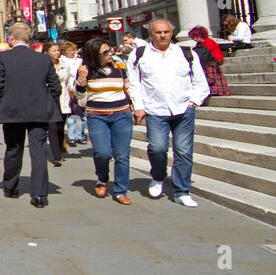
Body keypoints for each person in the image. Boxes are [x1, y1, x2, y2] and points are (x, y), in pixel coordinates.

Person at [126, 19, 211, 208]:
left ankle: (182, 191)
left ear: (171, 33)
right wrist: (138, 106)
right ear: (150, 34)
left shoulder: (185, 53)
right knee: (157, 148)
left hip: (183, 109)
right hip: (155, 109)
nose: (163, 35)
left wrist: (193, 102)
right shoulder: (139, 55)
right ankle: (158, 176)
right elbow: (134, 84)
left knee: (183, 151)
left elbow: (200, 82)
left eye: (166, 32)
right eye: (158, 32)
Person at [0, 22, 61, 208]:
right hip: (39, 111)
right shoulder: (43, 60)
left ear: (11, 38)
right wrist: (46, 102)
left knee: (13, 148)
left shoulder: (2, 58)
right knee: (38, 151)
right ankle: (39, 194)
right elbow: (56, 86)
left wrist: (3, 102)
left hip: (12, 109)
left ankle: (10, 186)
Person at [75, 39, 136, 204]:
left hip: (121, 115)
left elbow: (129, 88)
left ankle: (120, 191)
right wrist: (81, 81)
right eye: (105, 52)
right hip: (97, 116)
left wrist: (136, 107)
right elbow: (81, 100)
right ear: (94, 56)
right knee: (102, 153)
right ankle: (102, 178)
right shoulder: (85, 71)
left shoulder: (119, 67)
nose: (110, 54)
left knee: (122, 155)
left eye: (110, 50)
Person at [45, 42, 70, 166]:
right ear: (47, 51)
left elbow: (68, 82)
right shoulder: (43, 65)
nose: (57, 53)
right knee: (53, 127)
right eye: (54, 50)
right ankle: (57, 156)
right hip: (50, 98)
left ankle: (60, 146)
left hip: (64, 98)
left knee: (61, 125)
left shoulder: (64, 65)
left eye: (58, 50)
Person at [187, 25, 230, 97]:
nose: (194, 39)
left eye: (195, 36)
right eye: (193, 37)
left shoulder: (208, 42)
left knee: (212, 78)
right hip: (206, 63)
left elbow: (210, 54)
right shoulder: (199, 44)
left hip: (212, 62)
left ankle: (219, 91)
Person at [60, 41, 86, 145]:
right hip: (67, 88)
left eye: (72, 50)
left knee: (80, 113)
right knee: (71, 114)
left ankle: (81, 135)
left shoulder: (79, 60)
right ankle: (72, 136)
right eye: (68, 50)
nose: (71, 52)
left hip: (80, 87)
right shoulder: (61, 61)